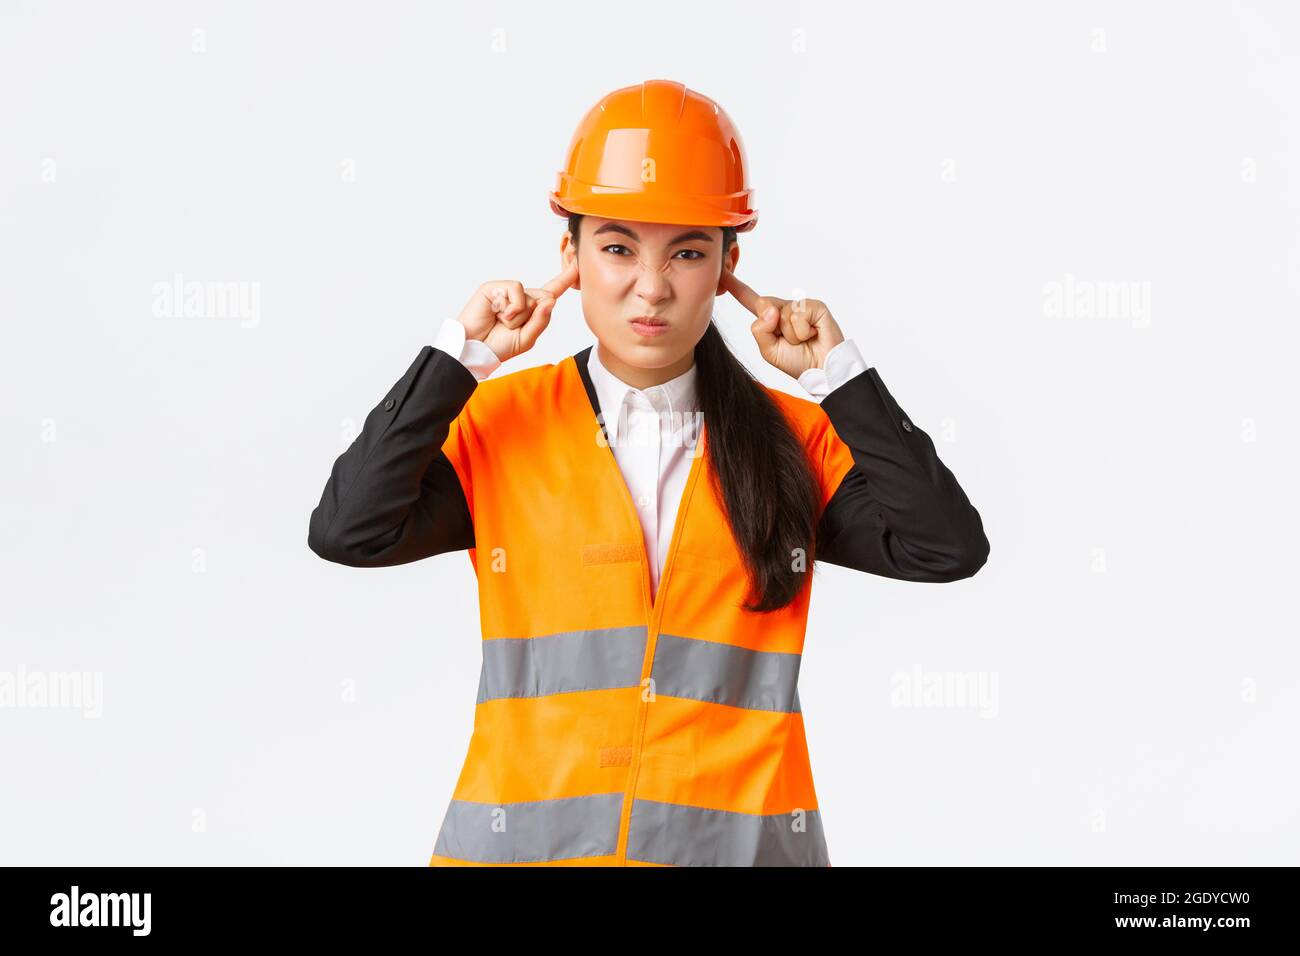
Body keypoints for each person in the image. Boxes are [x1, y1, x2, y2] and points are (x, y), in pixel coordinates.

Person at [308, 79, 989, 866]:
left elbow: (947, 548)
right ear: (570, 256)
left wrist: (837, 377)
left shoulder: (795, 439)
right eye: (618, 247)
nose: (652, 288)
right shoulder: (501, 422)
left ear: (731, 265)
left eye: (689, 253)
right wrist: (459, 357)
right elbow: (348, 530)